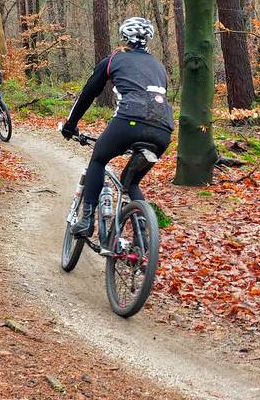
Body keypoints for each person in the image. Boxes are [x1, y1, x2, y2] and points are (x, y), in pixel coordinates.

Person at [59, 17, 174, 239]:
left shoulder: (114, 59)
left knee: (99, 159)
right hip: (163, 129)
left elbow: (87, 94)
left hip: (129, 120)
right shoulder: (158, 66)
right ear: (147, 39)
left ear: (124, 38)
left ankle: (86, 221)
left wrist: (70, 125)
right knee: (131, 181)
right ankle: (142, 236)